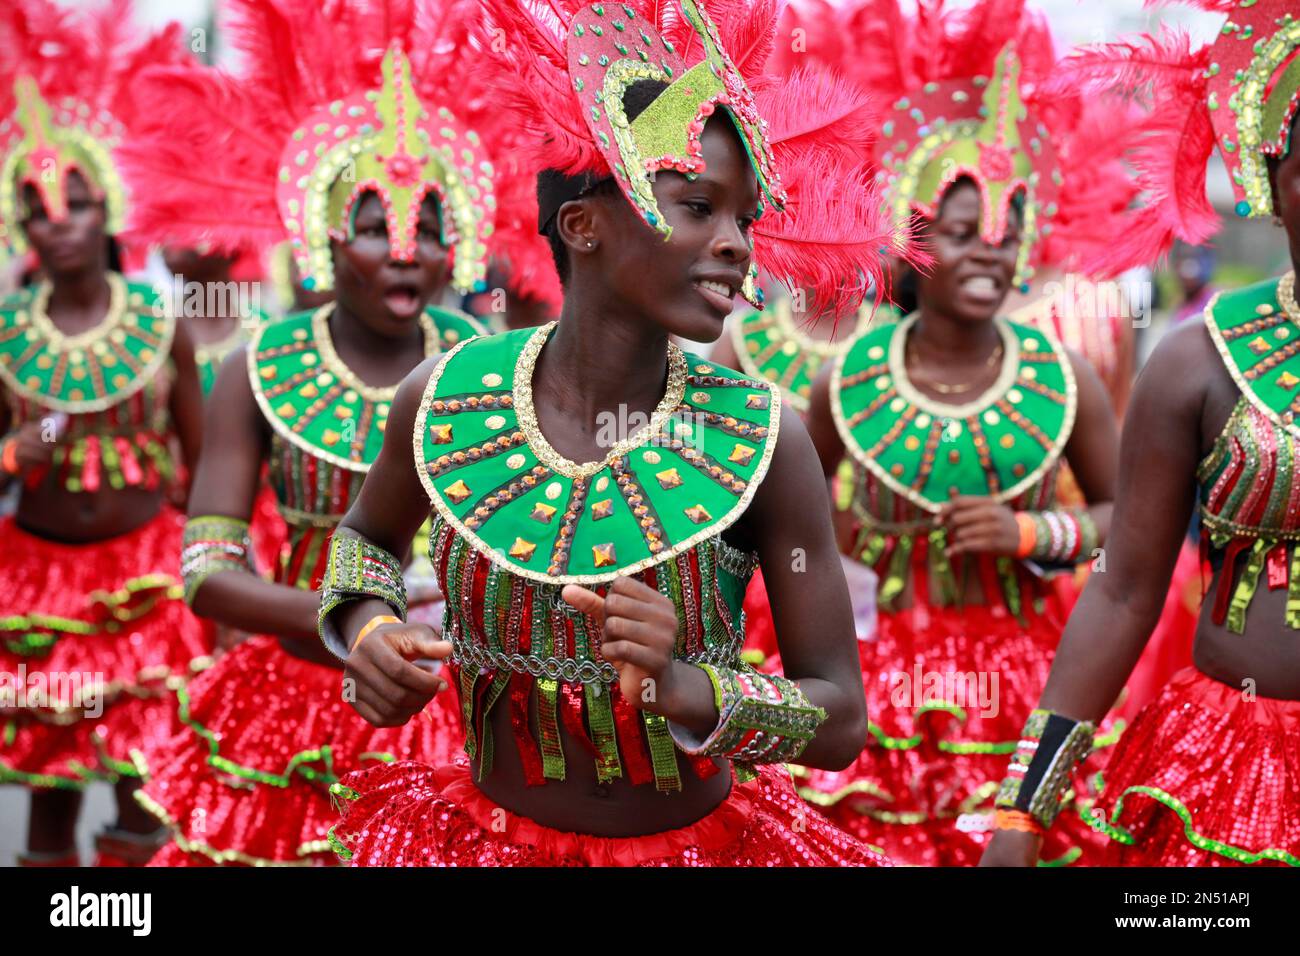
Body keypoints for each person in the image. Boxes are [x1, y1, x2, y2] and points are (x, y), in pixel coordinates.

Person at [319, 0, 912, 867]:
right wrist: (369, 633)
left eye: (744, 219)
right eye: (698, 207)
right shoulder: (443, 396)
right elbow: (364, 543)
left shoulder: (760, 438)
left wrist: (688, 687)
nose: (736, 245)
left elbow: (840, 717)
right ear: (582, 225)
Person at [117, 0, 503, 866]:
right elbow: (208, 574)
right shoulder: (257, 368)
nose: (406, 250)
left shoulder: (491, 369)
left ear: (460, 247)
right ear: (324, 238)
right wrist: (356, 629)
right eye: (375, 227)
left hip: (450, 700)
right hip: (291, 691)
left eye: (430, 229)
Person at [794, 0, 1143, 866]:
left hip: (1027, 679)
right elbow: (789, 519)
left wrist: (1034, 531)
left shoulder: (1062, 381)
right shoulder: (848, 377)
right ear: (916, 242)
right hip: (880, 676)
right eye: (963, 234)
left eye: (1007, 233)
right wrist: (845, 548)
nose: (991, 252)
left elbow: (1126, 522)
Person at [983, 0, 1300, 868]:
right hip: (1225, 772)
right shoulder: (1200, 359)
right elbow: (1123, 591)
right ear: (1274, 184)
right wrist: (1020, 814)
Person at [0, 0, 207, 867]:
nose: (62, 222)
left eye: (78, 203)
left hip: (148, 578)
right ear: (21, 224)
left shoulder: (163, 324)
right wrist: (12, 454)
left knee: (143, 780)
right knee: (49, 781)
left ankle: (124, 917)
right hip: (38, 585)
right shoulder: (5, 333)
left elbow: (202, 470)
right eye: (41, 209)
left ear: (107, 211)